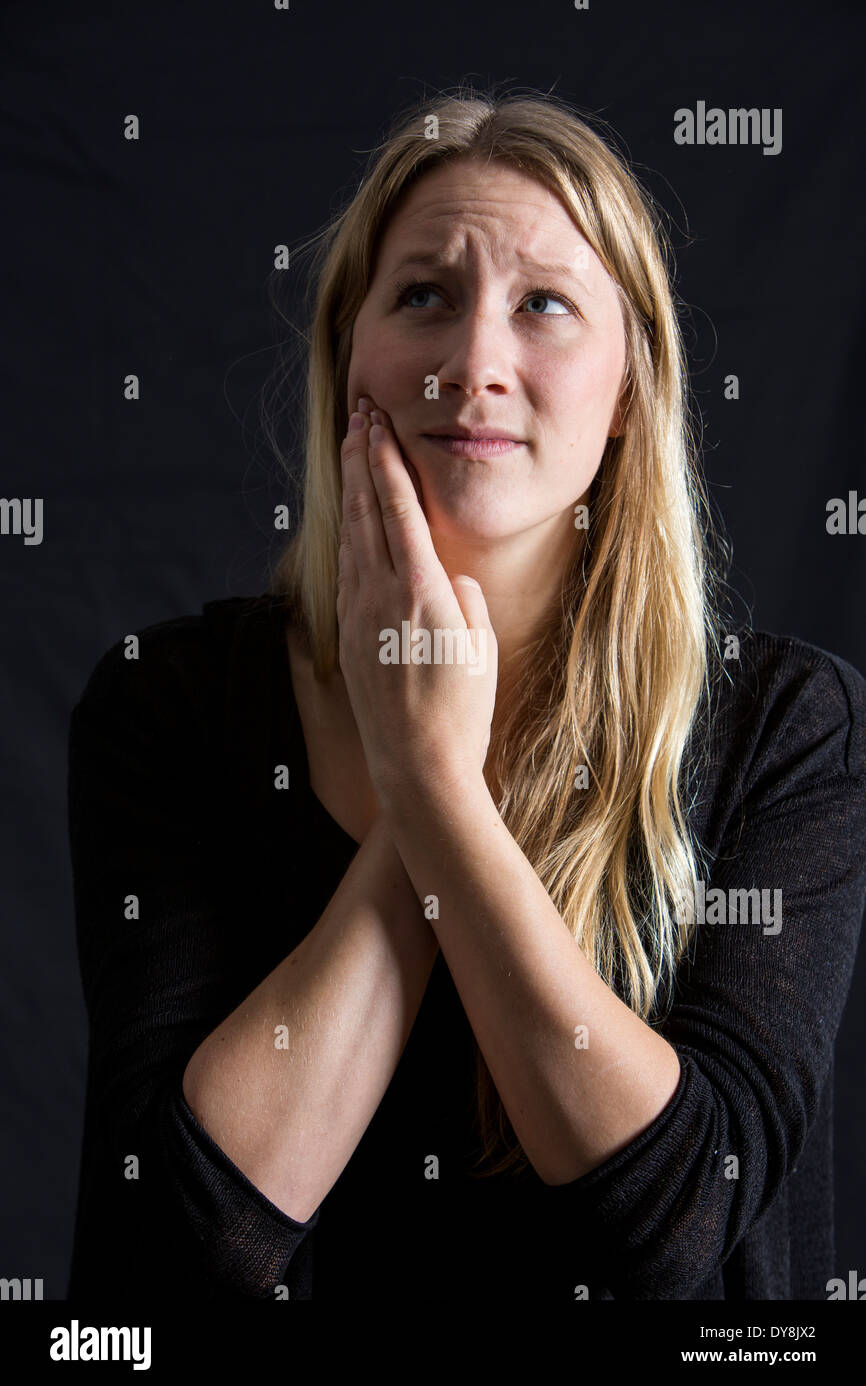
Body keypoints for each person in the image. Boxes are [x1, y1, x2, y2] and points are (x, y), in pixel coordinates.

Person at [67, 88, 866, 1302]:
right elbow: (188, 1253)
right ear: (351, 360)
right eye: (424, 296)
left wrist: (430, 777)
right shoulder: (167, 706)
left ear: (629, 387)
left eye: (543, 304)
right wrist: (419, 773)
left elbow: (670, 1226)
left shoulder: (791, 732)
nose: (473, 363)